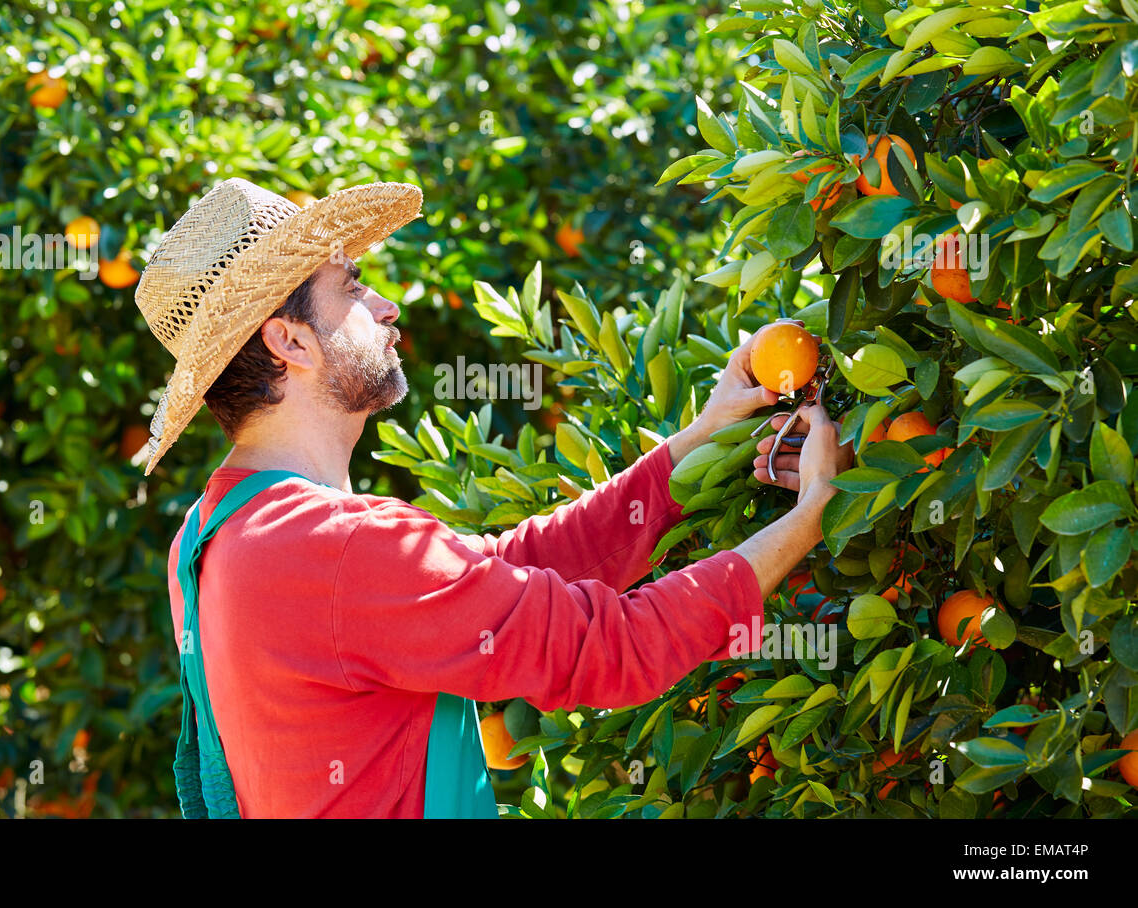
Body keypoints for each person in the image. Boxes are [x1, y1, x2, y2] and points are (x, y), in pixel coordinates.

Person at [134, 177, 852, 818]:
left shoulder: (210, 537)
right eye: (351, 288)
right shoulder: (340, 547)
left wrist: (698, 439)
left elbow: (497, 576)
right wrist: (814, 512)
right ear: (289, 342)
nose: (385, 306)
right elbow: (616, 647)